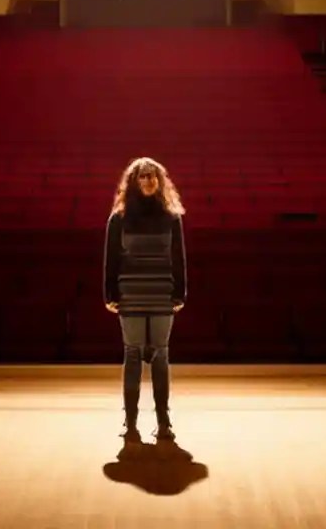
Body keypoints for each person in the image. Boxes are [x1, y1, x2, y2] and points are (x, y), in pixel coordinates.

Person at [104, 157, 187, 441]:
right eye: (143, 177)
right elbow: (111, 259)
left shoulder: (172, 217)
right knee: (133, 355)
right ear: (134, 182)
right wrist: (109, 293)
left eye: (152, 176)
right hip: (131, 292)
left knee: (161, 355)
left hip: (161, 291)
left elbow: (179, 258)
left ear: (159, 181)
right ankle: (130, 423)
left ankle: (164, 422)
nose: (148, 181)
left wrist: (180, 292)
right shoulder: (119, 218)